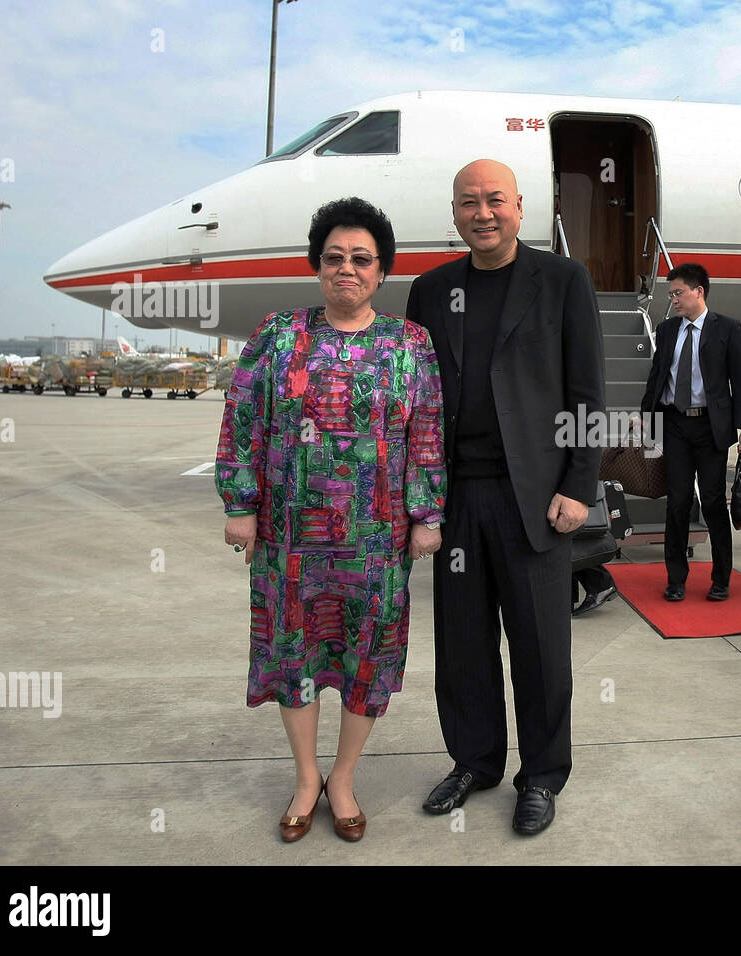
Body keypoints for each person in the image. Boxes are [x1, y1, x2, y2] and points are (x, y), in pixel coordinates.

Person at [217, 196, 447, 844]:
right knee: (294, 654)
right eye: (335, 258)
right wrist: (241, 503)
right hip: (291, 542)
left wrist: (427, 514)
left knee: (363, 661)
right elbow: (242, 419)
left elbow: (426, 434)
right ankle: (306, 778)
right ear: (319, 265)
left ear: (382, 272)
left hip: (375, 543)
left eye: (362, 259)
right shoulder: (279, 335)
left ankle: (343, 777)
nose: (347, 268)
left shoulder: (411, 344)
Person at [405, 159, 605, 836]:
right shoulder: (431, 291)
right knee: (462, 646)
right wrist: (418, 501)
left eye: (495, 200)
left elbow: (588, 390)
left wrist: (579, 487)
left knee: (541, 649)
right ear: (454, 213)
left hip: (536, 500)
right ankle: (475, 761)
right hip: (457, 498)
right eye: (469, 203)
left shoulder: (563, 281)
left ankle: (542, 776)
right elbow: (418, 401)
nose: (482, 213)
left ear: (520, 207)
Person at [642, 263, 741, 602]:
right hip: (676, 424)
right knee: (677, 501)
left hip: (710, 427)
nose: (673, 299)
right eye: (670, 294)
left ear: (698, 291)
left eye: (678, 293)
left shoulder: (728, 329)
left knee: (714, 501)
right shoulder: (667, 329)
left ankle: (721, 579)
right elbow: (658, 374)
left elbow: (740, 381)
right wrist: (645, 416)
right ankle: (676, 578)